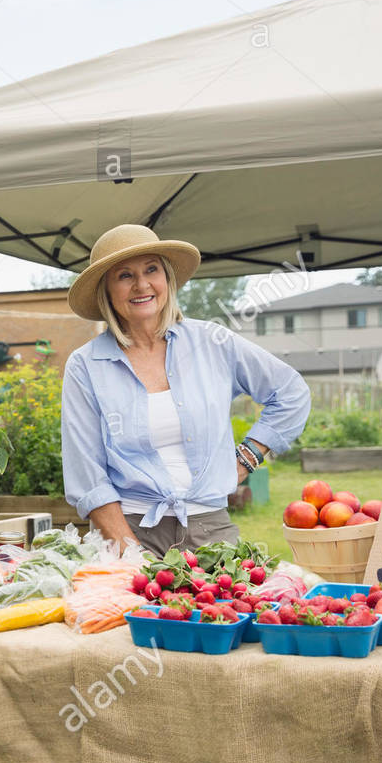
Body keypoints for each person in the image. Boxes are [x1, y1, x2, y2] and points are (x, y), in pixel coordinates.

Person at [61, 224, 311, 556]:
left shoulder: (212, 342)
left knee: (222, 609)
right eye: (125, 275)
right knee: (137, 611)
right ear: (106, 290)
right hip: (127, 530)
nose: (142, 285)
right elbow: (87, 474)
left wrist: (245, 459)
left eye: (152, 269)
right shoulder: (86, 366)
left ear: (167, 278)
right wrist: (132, 555)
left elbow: (290, 392)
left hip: (210, 527)